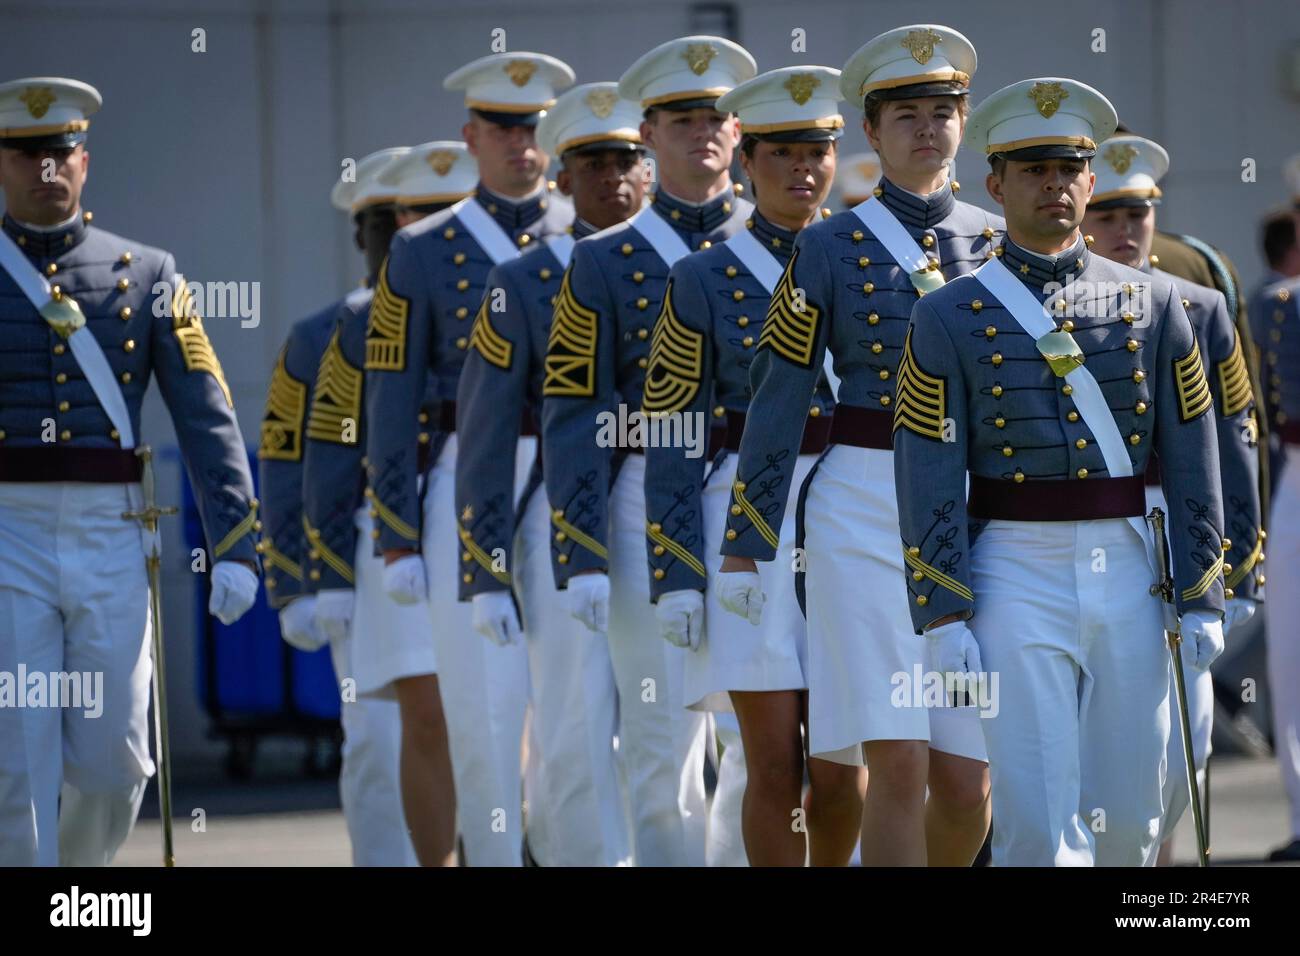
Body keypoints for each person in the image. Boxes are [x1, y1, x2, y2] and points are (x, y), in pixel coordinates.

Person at [895, 77, 1228, 866]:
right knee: (1035, 821)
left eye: (1069, 167)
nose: (1053, 183)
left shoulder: (1155, 305)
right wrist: (941, 613)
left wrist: (1203, 590)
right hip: (1012, 566)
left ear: (1090, 179)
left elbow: (1193, 460)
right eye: (1032, 167)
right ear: (995, 183)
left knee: (1131, 817)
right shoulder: (945, 314)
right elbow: (927, 468)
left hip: (1131, 570)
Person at [716, 25, 997, 867]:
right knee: (896, 758)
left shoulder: (999, 242)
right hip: (862, 507)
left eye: (941, 112)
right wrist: (745, 544)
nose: (925, 129)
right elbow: (778, 399)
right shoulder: (828, 244)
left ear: (964, 122)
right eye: (904, 114)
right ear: (870, 133)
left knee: (966, 778)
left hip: (977, 506)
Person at [0, 77, 260, 865]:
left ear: (85, 160)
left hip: (114, 527)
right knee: (16, 751)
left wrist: (237, 539)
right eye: (26, 155)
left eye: (61, 153)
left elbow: (205, 409)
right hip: (6, 527)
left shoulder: (148, 273)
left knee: (116, 755)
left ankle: (79, 889)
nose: (47, 171)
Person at [641, 65, 865, 866]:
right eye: (781, 153)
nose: (803, 169)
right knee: (770, 762)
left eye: (818, 151)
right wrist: (671, 568)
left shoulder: (873, 258)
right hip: (747, 518)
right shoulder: (700, 277)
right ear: (747, 161)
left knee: (845, 766)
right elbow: (670, 429)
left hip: (859, 502)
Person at [541, 35, 756, 866]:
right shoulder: (601, 259)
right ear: (649, 132)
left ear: (737, 133)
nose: (700, 132)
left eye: (715, 118)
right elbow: (572, 412)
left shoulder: (789, 243)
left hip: (755, 490)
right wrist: (582, 548)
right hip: (640, 497)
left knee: (761, 726)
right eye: (680, 119)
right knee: (663, 733)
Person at [364, 53, 574, 866]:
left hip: (572, 469)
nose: (523, 146)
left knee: (574, 704)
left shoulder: (584, 236)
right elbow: (390, 394)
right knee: (483, 705)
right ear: (472, 137)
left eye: (534, 129)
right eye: (505, 129)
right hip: (466, 471)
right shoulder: (420, 248)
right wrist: (394, 529)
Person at [453, 83, 647, 866]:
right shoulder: (525, 281)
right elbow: (486, 436)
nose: (613, 178)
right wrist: (484, 568)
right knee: (571, 725)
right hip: (556, 520)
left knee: (671, 730)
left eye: (626, 160)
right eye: (591, 164)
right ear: (562, 179)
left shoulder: (698, 266)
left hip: (672, 511)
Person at [1081, 134, 1263, 863]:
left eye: (1140, 214)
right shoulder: (1038, 302)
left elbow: (1235, 441)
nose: (1126, 231)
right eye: (1111, 213)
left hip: (1178, 538)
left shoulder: (1198, 299)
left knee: (1180, 747)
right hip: (1077, 532)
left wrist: (1240, 566)